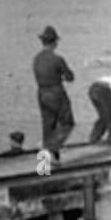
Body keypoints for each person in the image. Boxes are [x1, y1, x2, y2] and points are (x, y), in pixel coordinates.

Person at [32, 25, 75, 163]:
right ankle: (49, 148)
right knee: (67, 123)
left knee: (48, 126)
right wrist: (64, 76)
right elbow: (70, 77)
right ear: (54, 42)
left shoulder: (36, 59)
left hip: (41, 93)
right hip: (56, 92)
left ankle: (45, 166)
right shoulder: (57, 59)